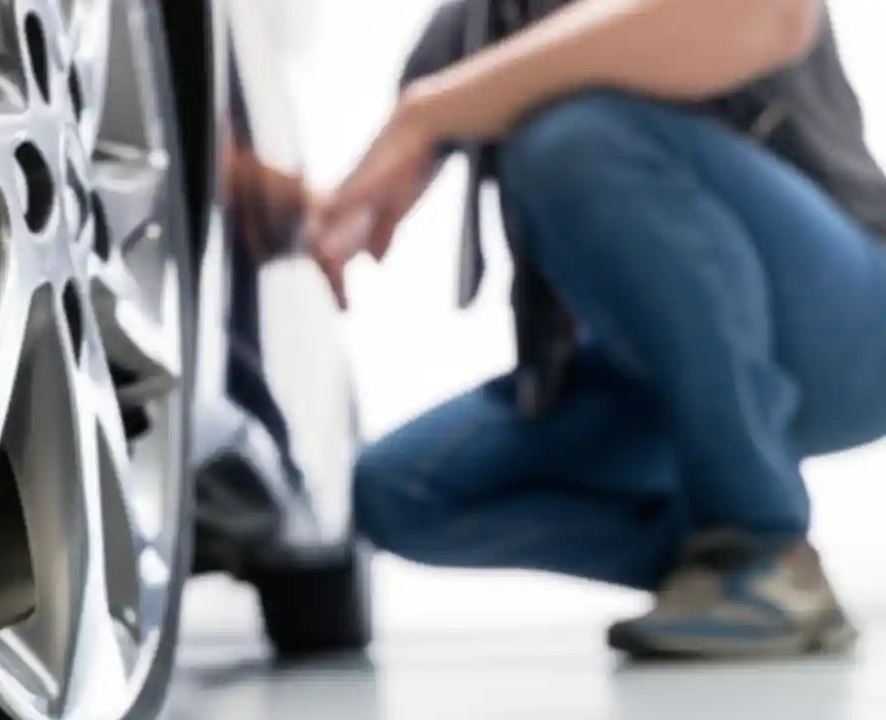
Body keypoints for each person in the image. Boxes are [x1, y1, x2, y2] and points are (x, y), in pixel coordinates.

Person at [308, 0, 886, 659]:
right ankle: (741, 571)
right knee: (403, 494)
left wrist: (430, 108)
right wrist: (274, 208)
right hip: (668, 369)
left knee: (572, 138)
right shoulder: (476, 25)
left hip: (851, 324)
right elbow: (366, 194)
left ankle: (757, 537)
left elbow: (769, 15)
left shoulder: (452, 87)